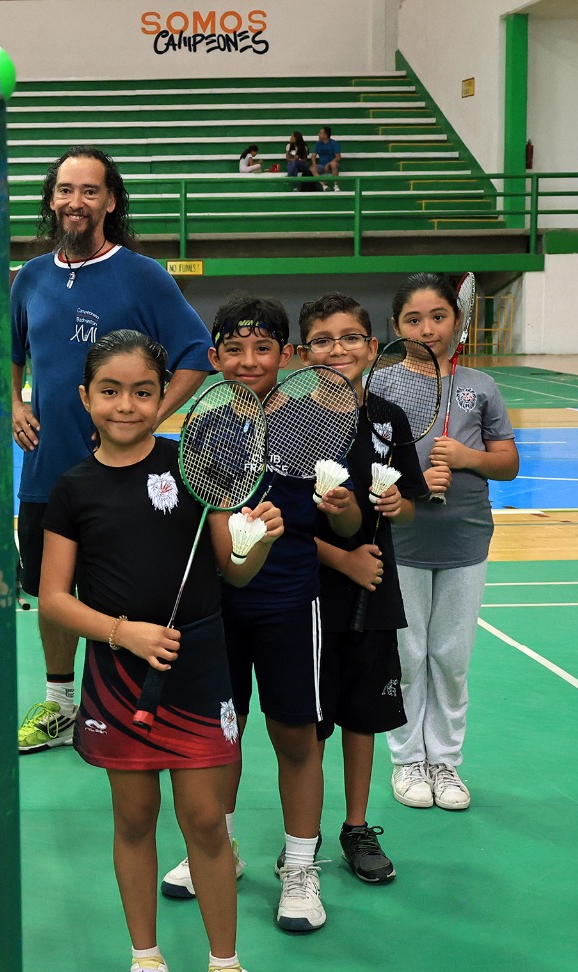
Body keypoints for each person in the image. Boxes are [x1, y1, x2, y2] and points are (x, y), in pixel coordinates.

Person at [38, 330, 279, 972]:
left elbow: (233, 574)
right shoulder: (73, 488)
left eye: (143, 391)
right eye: (110, 391)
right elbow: (54, 597)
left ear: (163, 395)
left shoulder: (194, 467)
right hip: (120, 673)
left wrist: (256, 543)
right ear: (85, 399)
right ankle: (147, 961)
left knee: (206, 821)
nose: (127, 404)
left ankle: (227, 967)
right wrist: (123, 633)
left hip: (198, 670)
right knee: (135, 819)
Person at [159, 294, 362, 933]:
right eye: (235, 350)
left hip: (292, 601)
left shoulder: (314, 418)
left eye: (263, 348)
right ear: (214, 357)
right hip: (219, 603)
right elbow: (206, 518)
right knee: (222, 734)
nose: (249, 361)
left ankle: (301, 866)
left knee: (296, 736)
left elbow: (351, 525)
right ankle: (218, 848)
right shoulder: (205, 424)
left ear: (287, 355)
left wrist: (345, 509)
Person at [10, 147, 215, 756]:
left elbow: (196, 351)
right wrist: (15, 403)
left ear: (111, 201)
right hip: (48, 475)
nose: (76, 201)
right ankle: (60, 703)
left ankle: (117, 698)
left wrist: (152, 413)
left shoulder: (142, 274)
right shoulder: (31, 277)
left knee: (117, 591)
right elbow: (7, 348)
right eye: (65, 190)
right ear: (52, 199)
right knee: (50, 594)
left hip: (122, 477)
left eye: (90, 191)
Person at [298, 293, 426, 884]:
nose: (338, 349)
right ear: (304, 354)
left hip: (373, 593)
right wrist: (342, 560)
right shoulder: (290, 423)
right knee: (309, 721)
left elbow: (406, 508)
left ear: (373, 348)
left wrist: (398, 508)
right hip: (307, 592)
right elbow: (279, 518)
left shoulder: (389, 419)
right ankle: (304, 833)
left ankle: (355, 826)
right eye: (323, 340)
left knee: (363, 717)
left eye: (351, 337)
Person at [387, 273, 519, 811]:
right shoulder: (383, 385)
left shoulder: (480, 387)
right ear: (396, 328)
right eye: (413, 320)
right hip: (402, 541)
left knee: (451, 657)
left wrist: (466, 460)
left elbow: (507, 462)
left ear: (457, 322)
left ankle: (445, 762)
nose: (426, 329)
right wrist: (415, 483)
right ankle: (406, 761)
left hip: (466, 540)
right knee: (407, 655)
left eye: (438, 317)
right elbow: (369, 465)